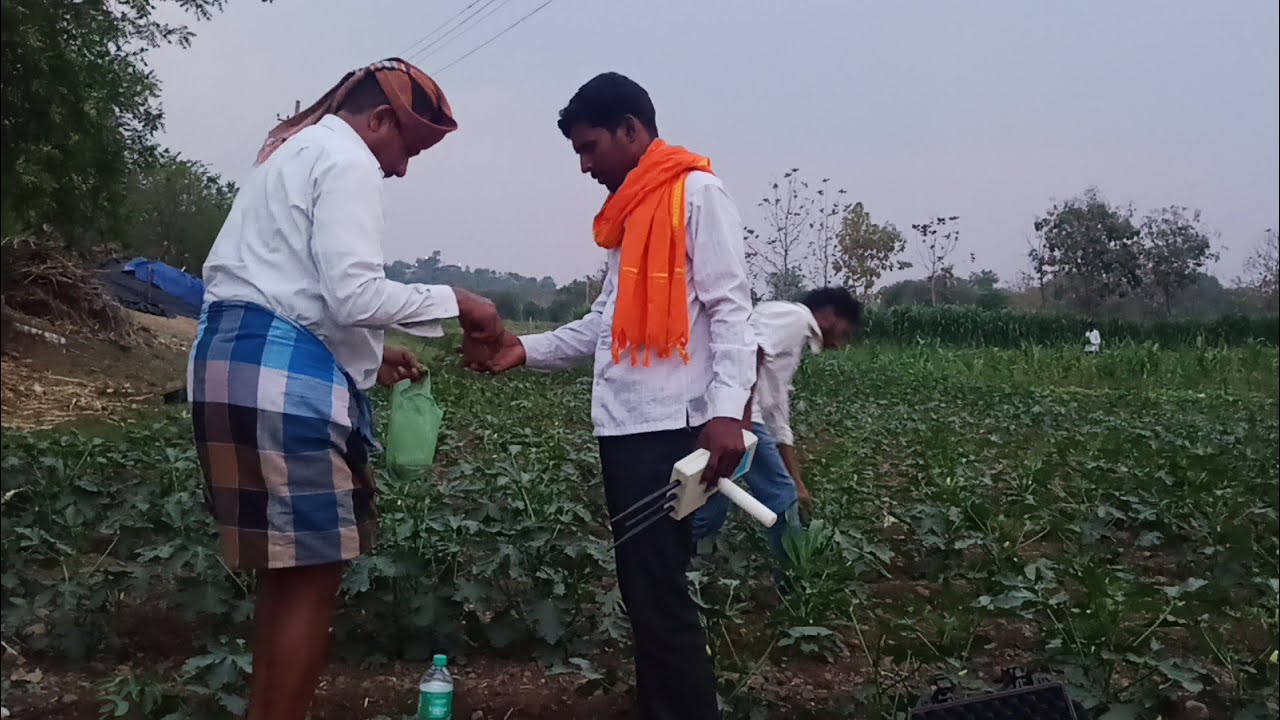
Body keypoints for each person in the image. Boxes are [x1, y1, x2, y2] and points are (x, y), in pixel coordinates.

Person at [188, 58, 504, 720]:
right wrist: (464, 301)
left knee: (287, 579)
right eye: (407, 149)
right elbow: (354, 291)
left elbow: (295, 294)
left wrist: (367, 357)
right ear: (380, 120)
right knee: (312, 584)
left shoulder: (293, 153)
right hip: (280, 382)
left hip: (231, 365)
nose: (401, 169)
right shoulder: (348, 159)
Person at [470, 72, 756, 720]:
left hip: (671, 426)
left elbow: (732, 310)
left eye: (591, 146)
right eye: (578, 151)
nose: (585, 164)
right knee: (643, 592)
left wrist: (723, 415)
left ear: (632, 129)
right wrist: (527, 349)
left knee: (659, 595)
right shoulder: (632, 218)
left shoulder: (696, 194)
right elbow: (606, 323)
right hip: (626, 429)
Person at [692, 287, 862, 568]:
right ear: (830, 315)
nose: (842, 341)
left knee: (711, 505)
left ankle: (664, 560)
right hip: (740, 418)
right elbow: (752, 350)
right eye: (846, 330)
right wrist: (742, 418)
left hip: (735, 416)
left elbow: (779, 420)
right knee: (781, 498)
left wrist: (798, 481)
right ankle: (796, 581)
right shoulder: (794, 318)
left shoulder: (794, 341)